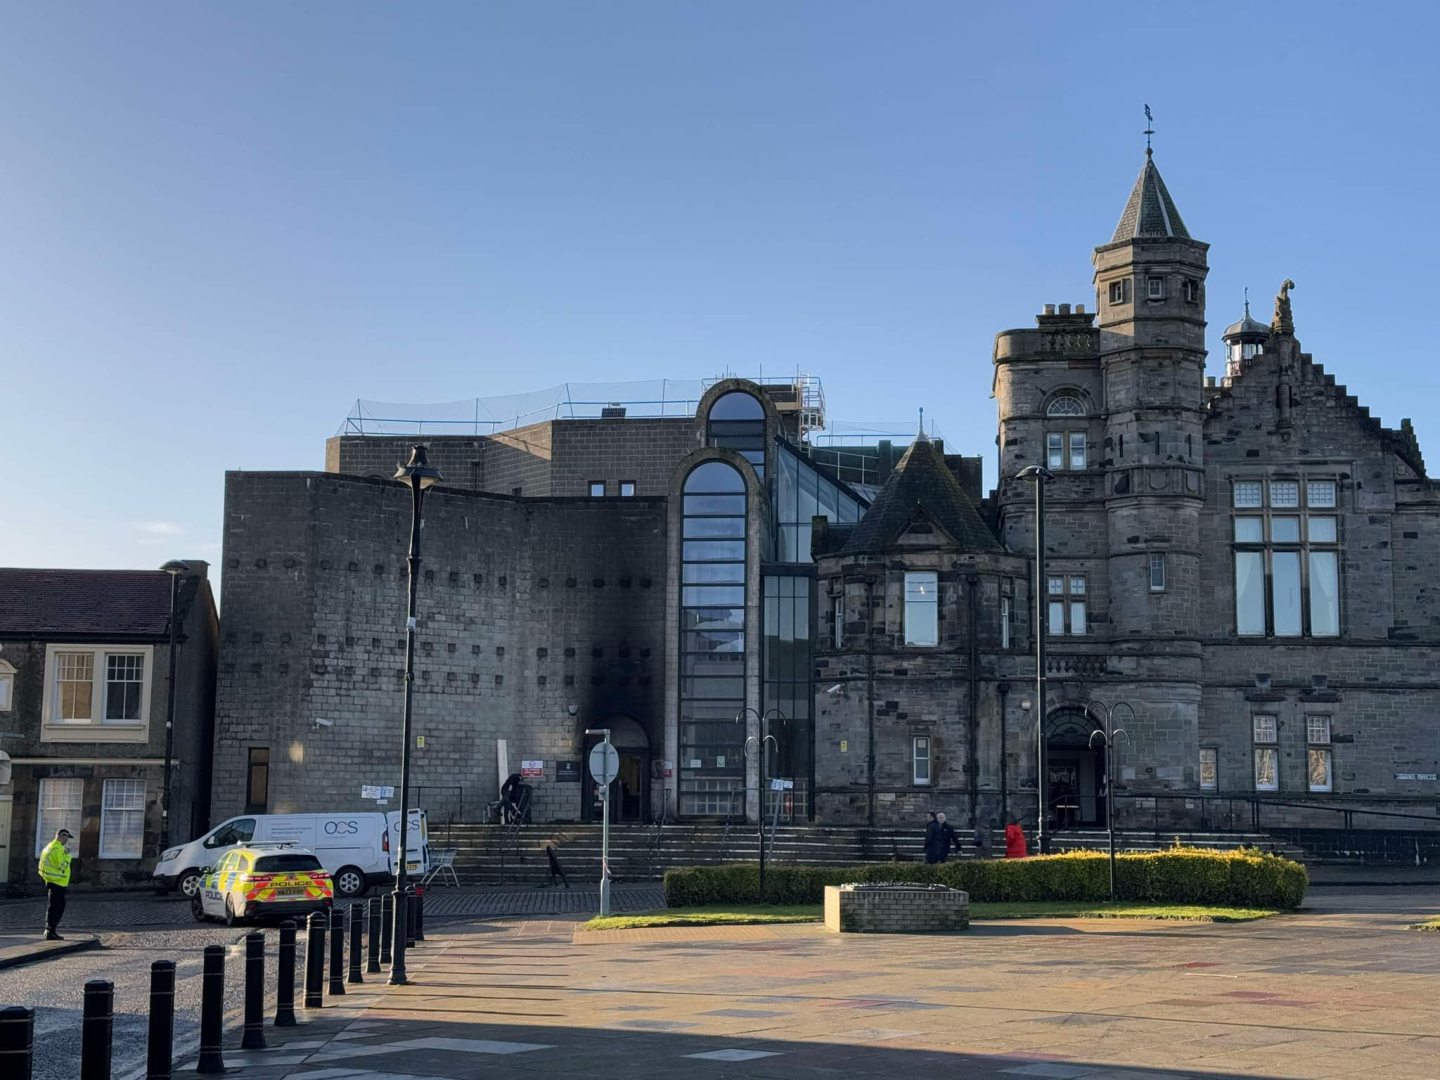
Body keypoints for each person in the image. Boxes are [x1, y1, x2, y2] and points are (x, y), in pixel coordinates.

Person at [38, 827, 74, 940]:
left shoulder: (50, 846)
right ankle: (50, 931)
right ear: (60, 836)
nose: (67, 840)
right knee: (56, 907)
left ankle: (50, 930)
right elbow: (61, 866)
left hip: (51, 880)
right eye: (66, 837)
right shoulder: (57, 849)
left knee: (54, 906)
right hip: (56, 882)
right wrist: (68, 856)